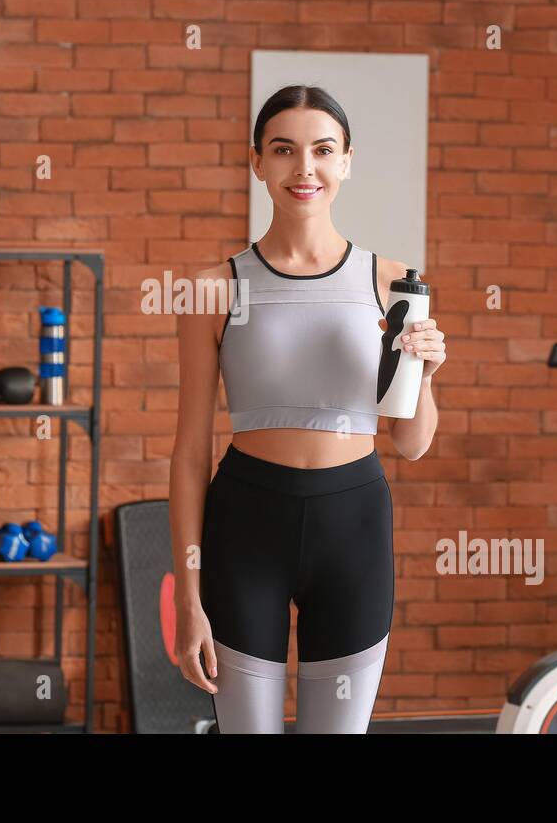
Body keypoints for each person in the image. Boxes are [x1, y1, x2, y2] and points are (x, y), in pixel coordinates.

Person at [168, 84, 447, 733]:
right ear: (256, 162)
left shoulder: (393, 282)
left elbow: (411, 442)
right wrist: (187, 595)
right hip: (245, 529)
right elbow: (189, 451)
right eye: (284, 150)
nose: (305, 169)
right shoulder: (214, 290)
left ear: (347, 160)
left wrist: (426, 375)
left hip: (353, 529)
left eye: (323, 151)